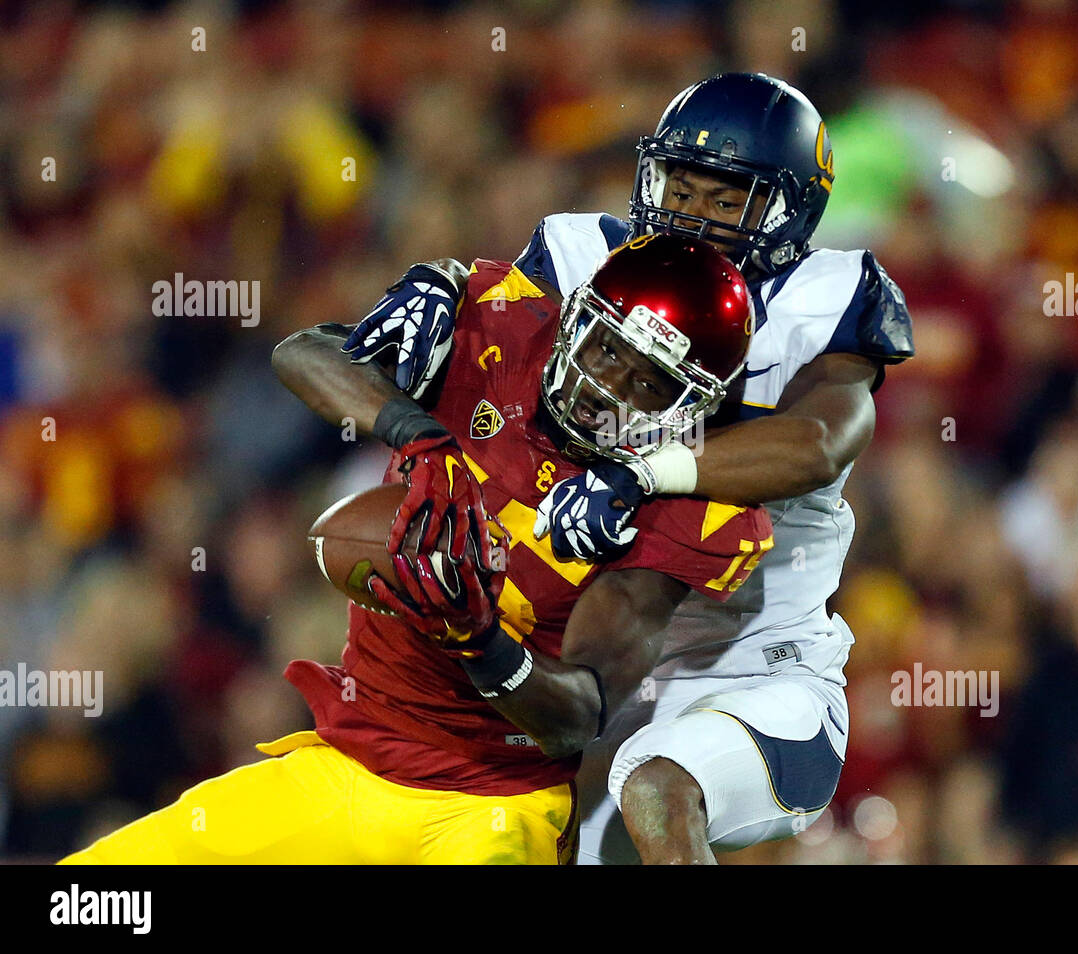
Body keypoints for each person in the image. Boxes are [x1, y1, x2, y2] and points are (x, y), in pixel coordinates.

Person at [343, 72, 915, 864]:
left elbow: (819, 442)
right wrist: (441, 286)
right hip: (588, 652)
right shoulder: (584, 255)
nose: (690, 216)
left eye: (724, 201)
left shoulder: (825, 299)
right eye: (679, 187)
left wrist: (649, 471)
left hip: (756, 666)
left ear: (789, 213)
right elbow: (491, 350)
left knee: (658, 790)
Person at [60, 235, 772, 865]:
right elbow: (302, 351)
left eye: (648, 382)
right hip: (348, 763)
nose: (606, 388)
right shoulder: (499, 337)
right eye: (607, 350)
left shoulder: (680, 504)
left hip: (491, 804)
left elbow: (577, 715)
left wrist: (480, 638)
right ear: (576, 318)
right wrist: (417, 430)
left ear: (690, 408)